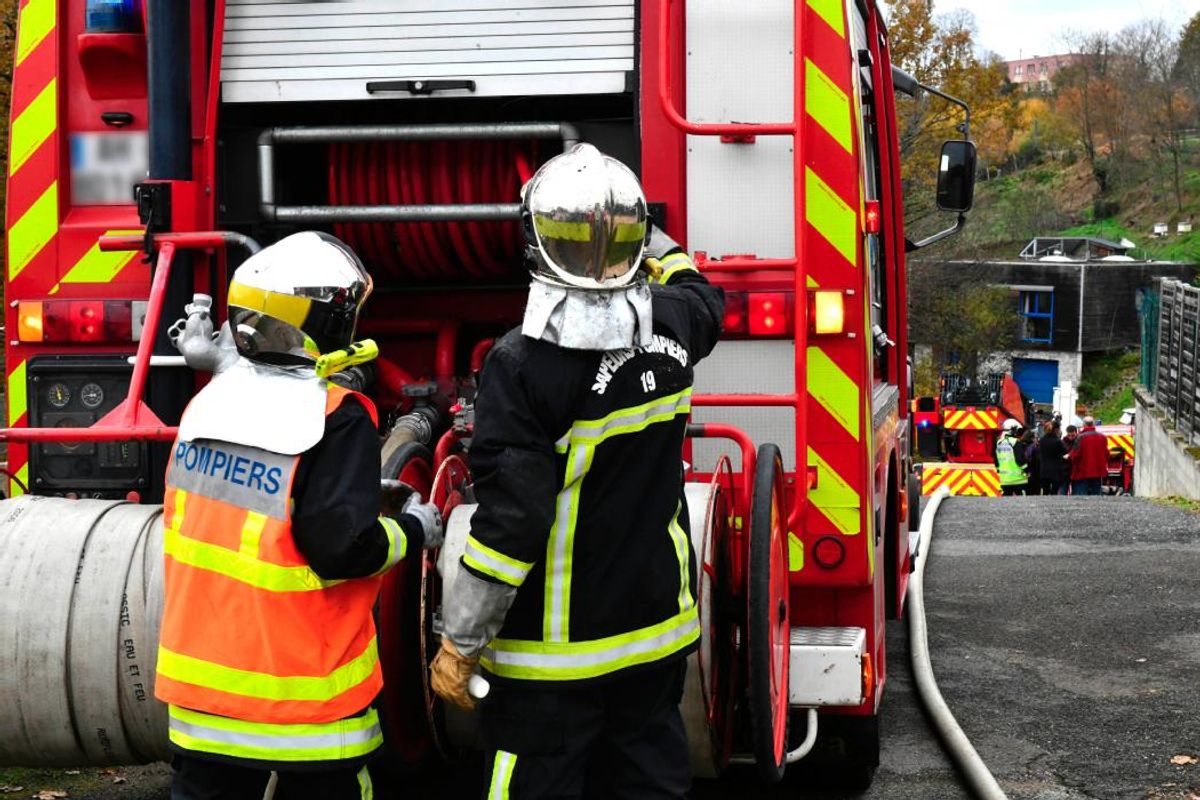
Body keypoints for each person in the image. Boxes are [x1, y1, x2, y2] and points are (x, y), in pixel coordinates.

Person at [429, 144, 724, 799]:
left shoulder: (522, 364)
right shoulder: (676, 325)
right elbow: (704, 294)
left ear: (535, 242)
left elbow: (513, 523)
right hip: (654, 641)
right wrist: (656, 242)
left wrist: (461, 642)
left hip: (551, 664)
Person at [156, 232, 444, 800]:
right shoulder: (335, 419)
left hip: (204, 707)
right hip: (306, 713)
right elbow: (342, 548)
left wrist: (352, 490)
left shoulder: (207, 406)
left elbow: (262, 506)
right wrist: (415, 529)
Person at [1068, 415, 1109, 495]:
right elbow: (1106, 454)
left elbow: (1076, 454)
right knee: (1096, 495)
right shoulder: (1102, 437)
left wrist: (1070, 457)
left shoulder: (1080, 437)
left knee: (1081, 497)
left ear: (1084, 425)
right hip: (1097, 471)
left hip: (1082, 472)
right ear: (1093, 424)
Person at [996, 418, 1029, 496]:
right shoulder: (1015, 442)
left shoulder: (999, 443)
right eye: (1016, 430)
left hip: (1004, 479)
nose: (1017, 433)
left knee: (1007, 502)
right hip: (1018, 479)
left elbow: (996, 461)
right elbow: (1020, 460)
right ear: (1012, 430)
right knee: (1021, 503)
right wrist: (1027, 470)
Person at [1037, 420, 1068, 496]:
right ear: (1056, 430)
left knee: (1045, 491)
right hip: (1056, 470)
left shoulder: (1041, 440)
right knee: (1054, 492)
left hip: (1044, 469)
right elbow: (1065, 451)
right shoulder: (1058, 441)